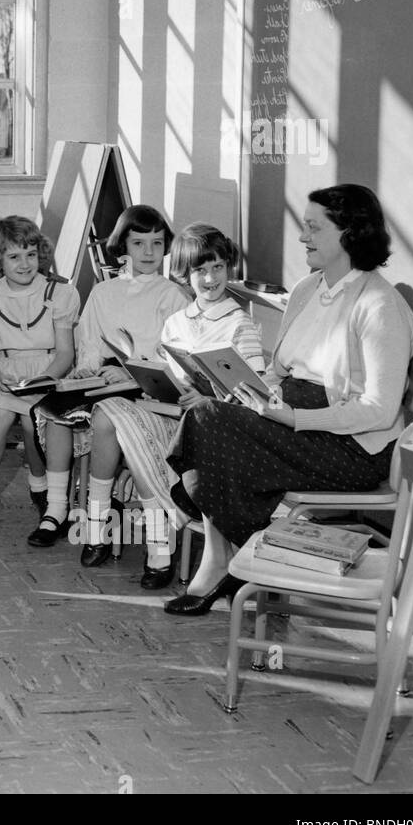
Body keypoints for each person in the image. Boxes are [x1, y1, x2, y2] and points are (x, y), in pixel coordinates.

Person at [163, 185, 413, 616]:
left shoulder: (379, 305)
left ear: (350, 233)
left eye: (314, 227)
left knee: (206, 423)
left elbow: (380, 411)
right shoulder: (306, 289)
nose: (303, 237)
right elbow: (278, 371)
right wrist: (246, 388)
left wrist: (293, 416)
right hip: (289, 418)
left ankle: (235, 556)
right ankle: (238, 558)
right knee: (210, 427)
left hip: (350, 445)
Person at [89, 224, 264, 589]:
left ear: (229, 268)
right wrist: (155, 385)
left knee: (133, 438)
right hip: (171, 413)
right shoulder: (177, 322)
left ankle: (156, 547)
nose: (210, 278)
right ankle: (105, 526)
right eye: (200, 270)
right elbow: (165, 371)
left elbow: (254, 395)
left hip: (212, 428)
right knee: (107, 412)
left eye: (217, 268)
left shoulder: (239, 323)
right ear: (185, 274)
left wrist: (210, 397)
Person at [35, 205, 189, 565]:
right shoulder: (105, 293)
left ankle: (98, 526)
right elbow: (91, 346)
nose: (149, 253)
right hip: (107, 383)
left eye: (156, 243)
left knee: (106, 418)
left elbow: (175, 357)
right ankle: (62, 510)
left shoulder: (173, 296)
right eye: (139, 243)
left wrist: (131, 374)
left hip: (150, 389)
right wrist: (82, 372)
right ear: (123, 246)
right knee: (54, 408)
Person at [0, 217, 79, 542]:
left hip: (47, 373)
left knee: (34, 420)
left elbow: (65, 353)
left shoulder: (59, 293)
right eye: (14, 256)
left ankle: (40, 487)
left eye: (30, 254)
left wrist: (46, 379)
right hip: (0, 373)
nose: (24, 263)